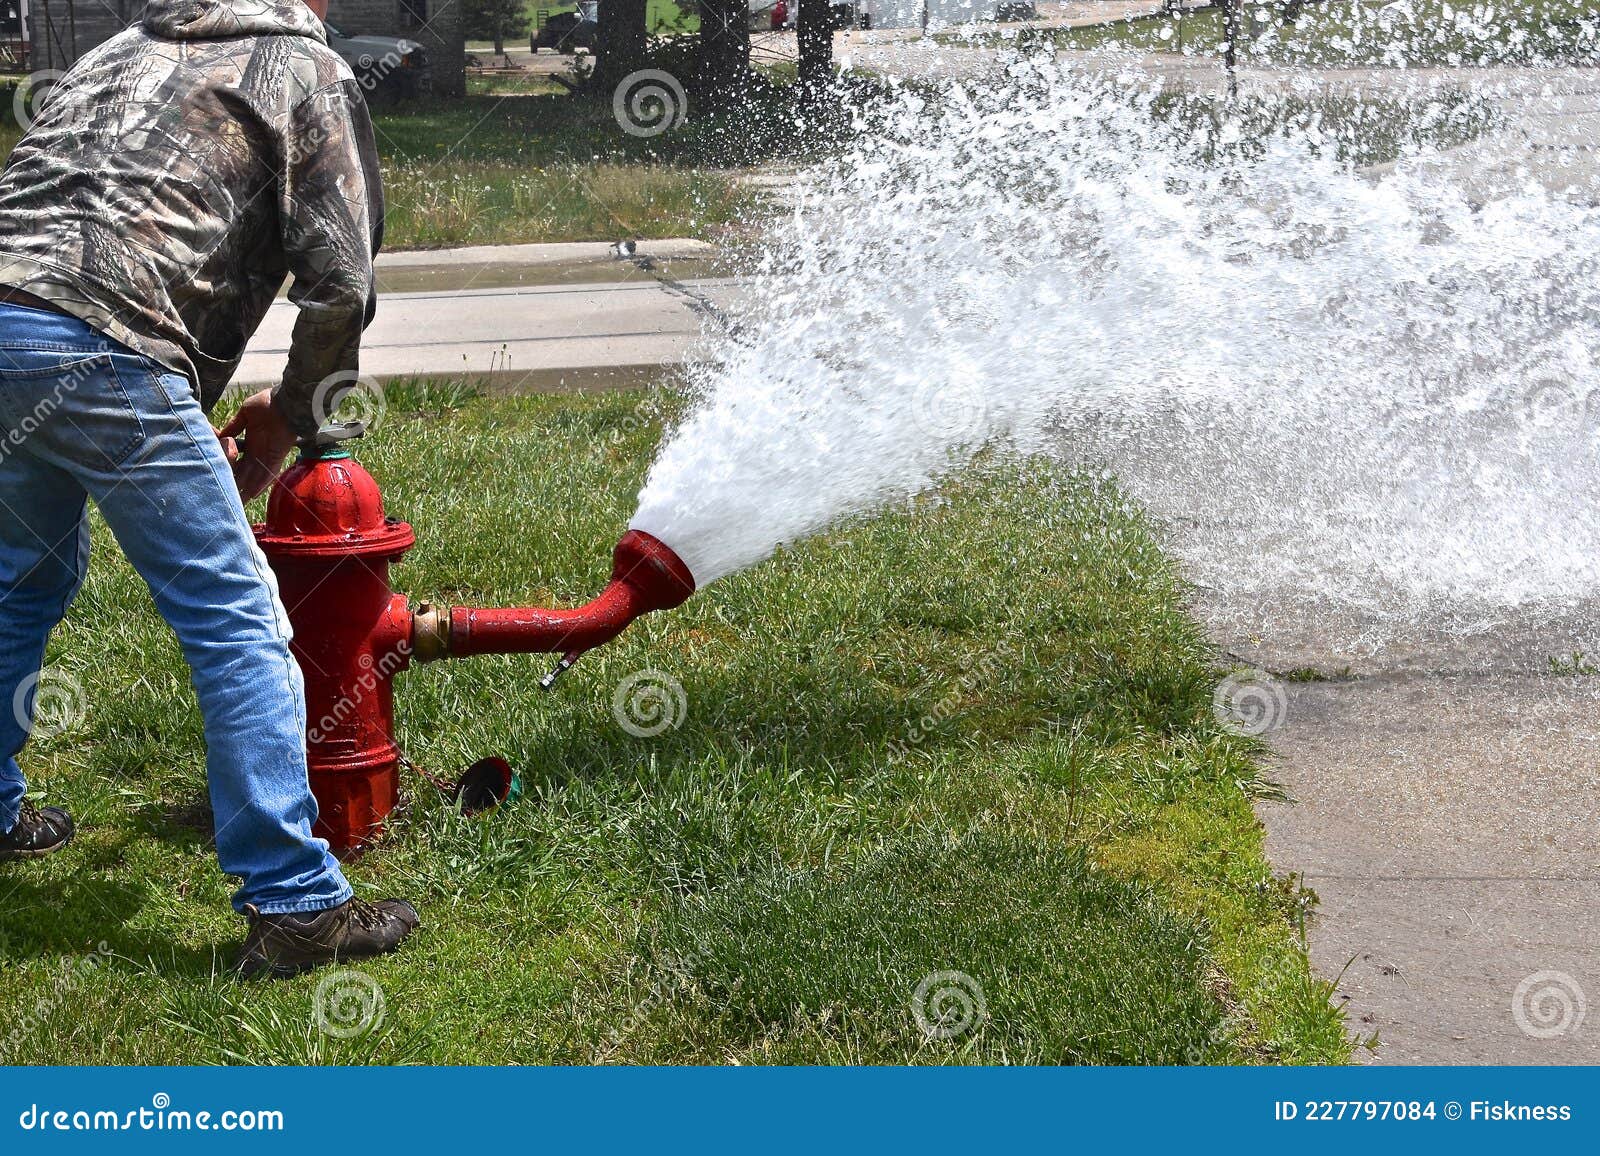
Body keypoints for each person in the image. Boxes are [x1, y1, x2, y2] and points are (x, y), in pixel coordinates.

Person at [0, 0, 419, 977]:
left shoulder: (123, 49)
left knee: (19, 580)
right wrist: (301, 414)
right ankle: (294, 901)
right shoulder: (301, 67)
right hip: (106, 343)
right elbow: (340, 281)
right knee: (234, 614)